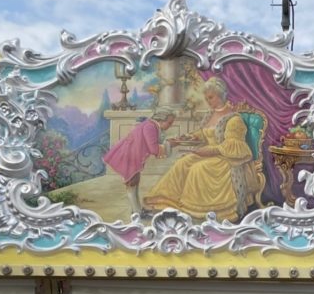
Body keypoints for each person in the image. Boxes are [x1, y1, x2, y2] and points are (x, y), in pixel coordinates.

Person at [145, 77, 262, 220]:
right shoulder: (209, 115)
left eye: (211, 97)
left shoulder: (233, 119)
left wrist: (211, 151)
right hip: (209, 153)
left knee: (197, 169)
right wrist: (191, 137)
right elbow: (204, 133)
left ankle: (192, 209)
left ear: (221, 95)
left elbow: (234, 146)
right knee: (182, 163)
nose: (208, 101)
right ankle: (167, 202)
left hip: (226, 158)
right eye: (207, 98)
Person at [103, 110, 175, 216]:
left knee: (134, 182)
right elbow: (153, 149)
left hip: (132, 154)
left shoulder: (151, 125)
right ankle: (137, 212)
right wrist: (169, 144)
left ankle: (137, 210)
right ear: (161, 120)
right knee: (132, 183)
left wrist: (169, 143)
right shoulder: (150, 127)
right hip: (129, 155)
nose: (171, 125)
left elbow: (154, 143)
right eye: (169, 123)